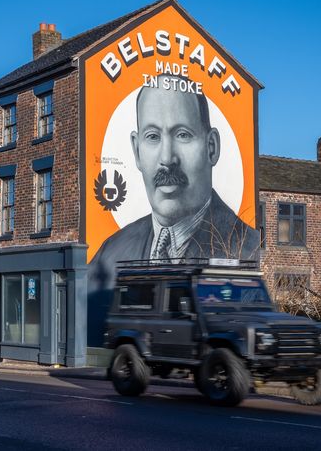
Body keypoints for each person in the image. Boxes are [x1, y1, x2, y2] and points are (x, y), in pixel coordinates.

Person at [87, 75, 260, 342]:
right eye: (153, 136)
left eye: (182, 135)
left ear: (211, 147)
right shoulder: (109, 253)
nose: (167, 159)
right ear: (137, 150)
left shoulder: (244, 246)